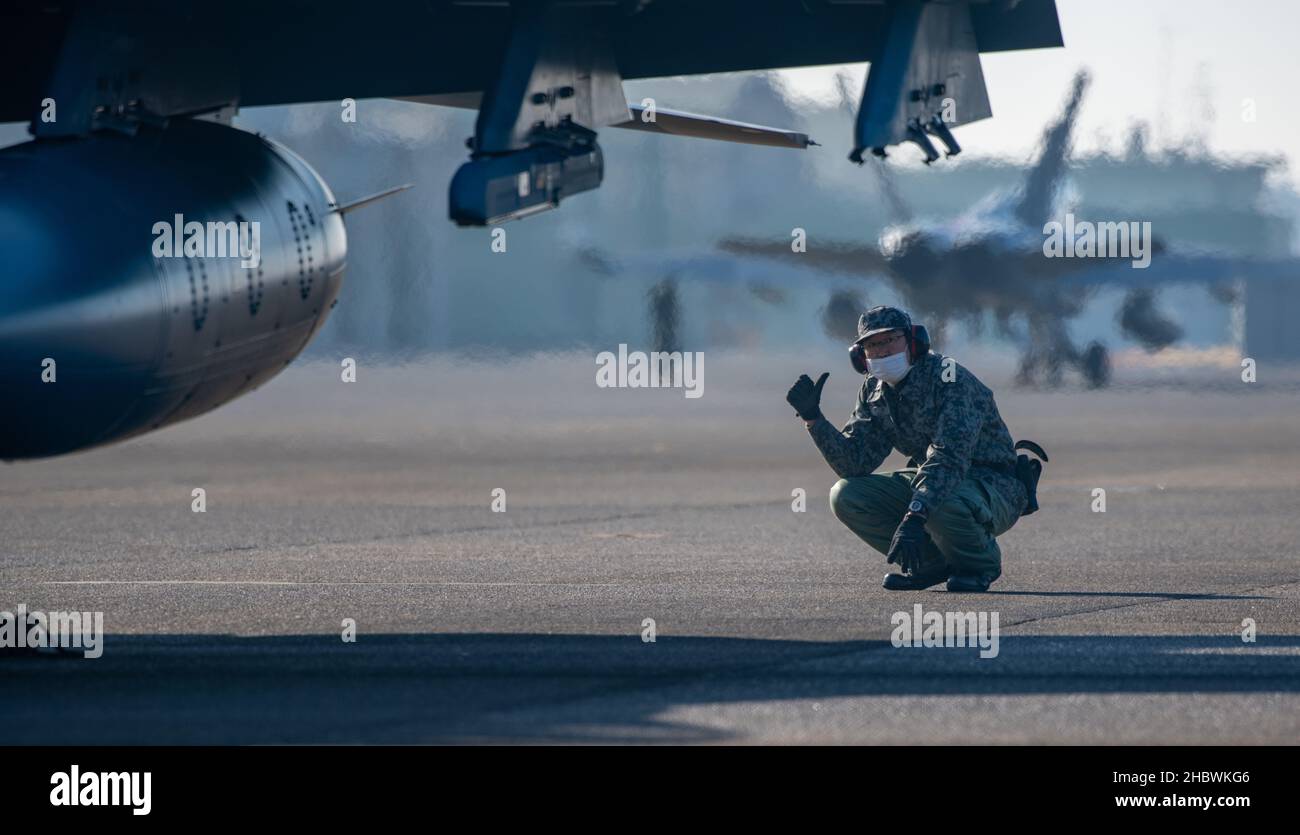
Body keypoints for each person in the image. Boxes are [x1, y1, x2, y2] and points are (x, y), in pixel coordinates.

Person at [786, 305, 1034, 592]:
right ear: (860, 356)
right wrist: (814, 419)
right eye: (872, 344)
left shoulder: (949, 379)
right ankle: (931, 563)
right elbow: (854, 463)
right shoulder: (874, 390)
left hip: (992, 485)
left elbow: (950, 458)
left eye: (890, 340)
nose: (881, 350)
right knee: (846, 494)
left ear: (913, 342)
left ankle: (978, 565)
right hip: (934, 480)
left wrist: (915, 514)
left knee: (940, 500)